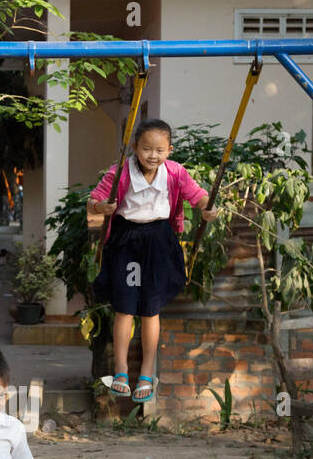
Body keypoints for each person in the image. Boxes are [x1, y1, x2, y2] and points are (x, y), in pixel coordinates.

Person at [88, 119, 218, 402]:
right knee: (124, 307)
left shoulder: (175, 173)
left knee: (150, 308)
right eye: (146, 148)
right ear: (135, 147)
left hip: (159, 241)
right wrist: (101, 207)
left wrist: (208, 209)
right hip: (126, 240)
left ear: (169, 150)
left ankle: (146, 372)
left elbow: (199, 196)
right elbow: (93, 201)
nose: (153, 155)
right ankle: (121, 370)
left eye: (159, 149)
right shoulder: (119, 172)